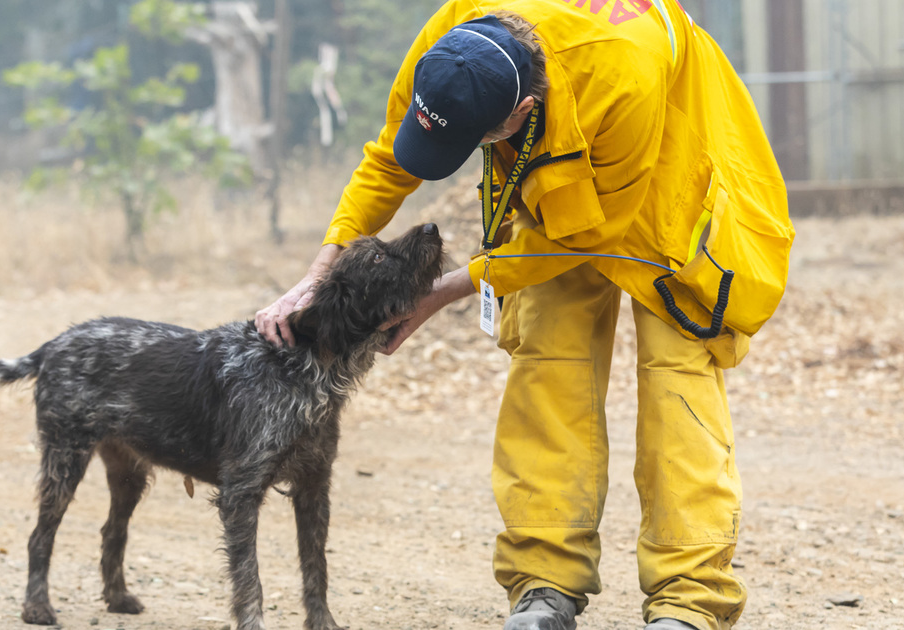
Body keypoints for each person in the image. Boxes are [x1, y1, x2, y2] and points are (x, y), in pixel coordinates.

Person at [255, 1, 794, 629]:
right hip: (559, 180)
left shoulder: (624, 73)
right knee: (547, 364)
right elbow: (387, 161)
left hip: (672, 175)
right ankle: (545, 583)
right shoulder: (452, 38)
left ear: (519, 113)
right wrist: (316, 272)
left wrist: (446, 290)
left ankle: (688, 601)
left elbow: (587, 238)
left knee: (678, 381)